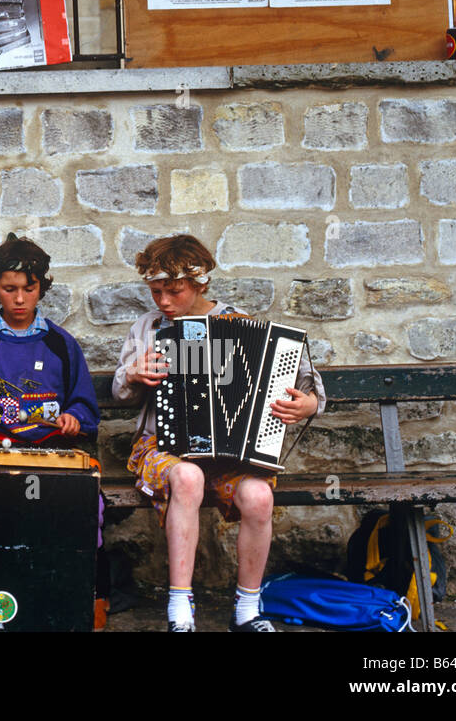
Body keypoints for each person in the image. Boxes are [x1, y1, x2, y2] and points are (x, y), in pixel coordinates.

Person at [112, 234, 325, 633]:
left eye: (173, 291)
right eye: (156, 291)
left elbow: (309, 382)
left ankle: (247, 609)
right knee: (188, 477)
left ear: (200, 283)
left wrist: (309, 404)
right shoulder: (148, 328)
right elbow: (120, 391)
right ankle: (180, 608)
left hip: (230, 455)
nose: (163, 302)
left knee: (260, 496)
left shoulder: (239, 323)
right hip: (162, 449)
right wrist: (132, 374)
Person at [0, 235, 99, 448]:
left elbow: (83, 401)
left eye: (29, 289)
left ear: (41, 288)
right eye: (10, 289)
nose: (20, 299)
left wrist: (74, 417)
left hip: (52, 447)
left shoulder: (62, 344)